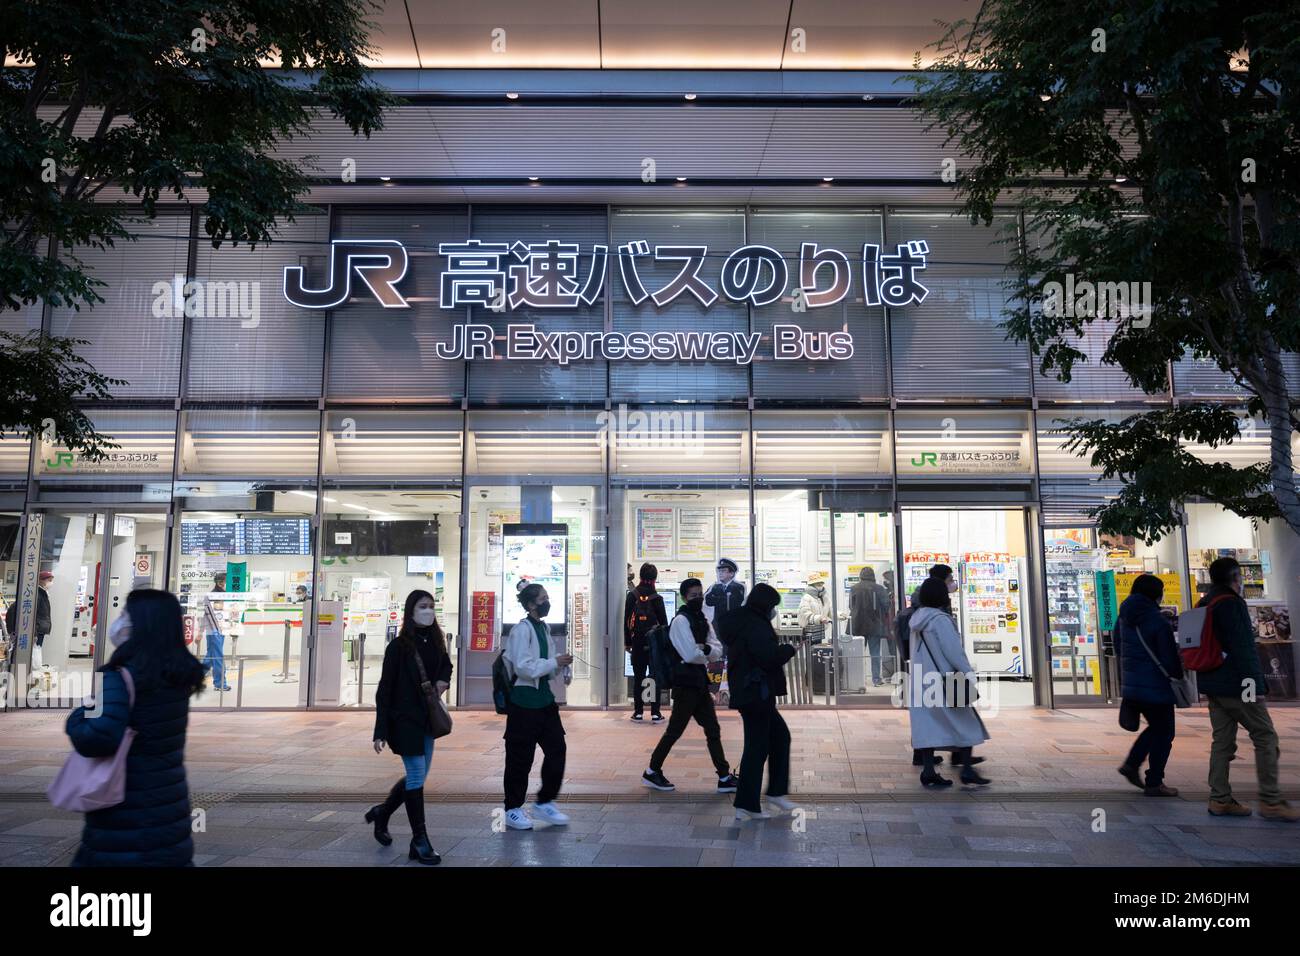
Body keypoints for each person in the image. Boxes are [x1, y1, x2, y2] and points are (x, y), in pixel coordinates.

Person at [64, 589, 207, 866]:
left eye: (124, 615)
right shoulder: (177, 675)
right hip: (168, 800)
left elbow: (98, 737)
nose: (119, 622)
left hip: (126, 805)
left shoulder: (117, 676)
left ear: (140, 623)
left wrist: (77, 717)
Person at [1198, 557, 1298, 821]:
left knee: (1222, 742)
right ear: (1235, 578)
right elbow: (1244, 647)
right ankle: (1271, 801)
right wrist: (1256, 683)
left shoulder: (1204, 603)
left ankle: (1219, 798)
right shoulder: (1231, 604)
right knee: (1265, 737)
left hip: (1212, 682)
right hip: (1239, 683)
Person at [369, 590, 452, 864]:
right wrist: (380, 729)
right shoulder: (399, 646)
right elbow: (385, 689)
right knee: (416, 775)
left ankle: (383, 812)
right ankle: (420, 841)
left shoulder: (437, 640)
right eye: (422, 606)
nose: (428, 611)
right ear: (410, 611)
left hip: (428, 719)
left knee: (419, 776)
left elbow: (447, 666)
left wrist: (442, 681)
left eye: (431, 606)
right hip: (404, 720)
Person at [641, 578, 739, 793]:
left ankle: (723, 776)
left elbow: (717, 649)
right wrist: (704, 651)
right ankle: (651, 771)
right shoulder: (681, 621)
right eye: (694, 595)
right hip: (685, 685)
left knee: (712, 729)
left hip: (699, 683)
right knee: (674, 731)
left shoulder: (701, 618)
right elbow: (690, 653)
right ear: (684, 597)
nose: (698, 598)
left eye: (700, 594)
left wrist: (703, 650)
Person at [717, 583, 799, 820]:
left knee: (779, 738)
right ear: (765, 604)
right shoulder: (754, 624)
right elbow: (768, 657)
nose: (774, 610)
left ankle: (775, 793)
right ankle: (746, 805)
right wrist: (788, 649)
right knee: (757, 748)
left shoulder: (744, 620)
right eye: (773, 605)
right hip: (755, 693)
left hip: (751, 692)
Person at [501, 583, 573, 831]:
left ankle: (544, 802)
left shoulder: (543, 627)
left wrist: (560, 666)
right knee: (521, 757)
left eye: (547, 597)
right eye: (543, 598)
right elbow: (523, 666)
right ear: (531, 604)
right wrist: (553, 661)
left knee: (557, 749)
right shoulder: (522, 630)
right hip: (523, 701)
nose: (547, 601)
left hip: (544, 699)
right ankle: (512, 808)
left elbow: (544, 666)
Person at [907, 577, 990, 789]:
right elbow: (954, 652)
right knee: (966, 722)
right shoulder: (940, 620)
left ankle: (928, 771)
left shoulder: (916, 619)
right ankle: (968, 770)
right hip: (947, 680)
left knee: (927, 725)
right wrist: (968, 673)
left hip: (923, 681)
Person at [1114, 574, 1182, 797]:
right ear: (1157, 594)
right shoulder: (1156, 619)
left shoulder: (1123, 617)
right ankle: (1152, 779)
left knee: (1157, 728)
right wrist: (1178, 678)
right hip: (1156, 686)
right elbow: (1169, 657)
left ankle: (1134, 765)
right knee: (1164, 731)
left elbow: (1118, 648)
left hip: (1132, 684)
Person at [624, 563, 667, 721]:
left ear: (640, 576)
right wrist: (663, 646)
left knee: (639, 676)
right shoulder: (657, 598)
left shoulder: (632, 596)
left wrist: (628, 643)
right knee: (654, 676)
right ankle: (655, 713)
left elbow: (626, 622)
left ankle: (638, 712)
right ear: (655, 578)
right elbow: (663, 624)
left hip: (637, 642)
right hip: (654, 644)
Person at [6, 569, 53, 680]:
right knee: (30, 655)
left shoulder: (42, 593)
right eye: (49, 580)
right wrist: (34, 632)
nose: (51, 583)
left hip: (37, 629)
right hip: (35, 630)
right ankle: (24, 679)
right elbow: (29, 614)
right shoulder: (36, 594)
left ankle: (26, 678)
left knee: (33, 654)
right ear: (41, 581)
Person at [849, 567, 890, 686]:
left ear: (861, 575)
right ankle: (876, 679)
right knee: (875, 653)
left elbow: (851, 606)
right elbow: (886, 606)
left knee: (858, 653)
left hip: (858, 624)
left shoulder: (854, 588)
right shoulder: (879, 588)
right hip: (875, 624)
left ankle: (857, 680)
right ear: (873, 575)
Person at [201, 572, 231, 692]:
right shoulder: (213, 595)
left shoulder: (223, 595)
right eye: (224, 581)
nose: (224, 583)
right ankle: (220, 683)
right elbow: (208, 614)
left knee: (211, 656)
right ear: (220, 582)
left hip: (218, 629)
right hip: (215, 630)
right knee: (217, 657)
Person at [797, 572, 837, 641]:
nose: (821, 585)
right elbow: (806, 614)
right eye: (818, 584)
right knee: (810, 649)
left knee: (818, 648)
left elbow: (831, 611)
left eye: (821, 583)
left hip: (820, 630)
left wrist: (840, 615)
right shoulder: (806, 598)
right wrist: (820, 618)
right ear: (812, 585)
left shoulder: (824, 598)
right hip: (809, 631)